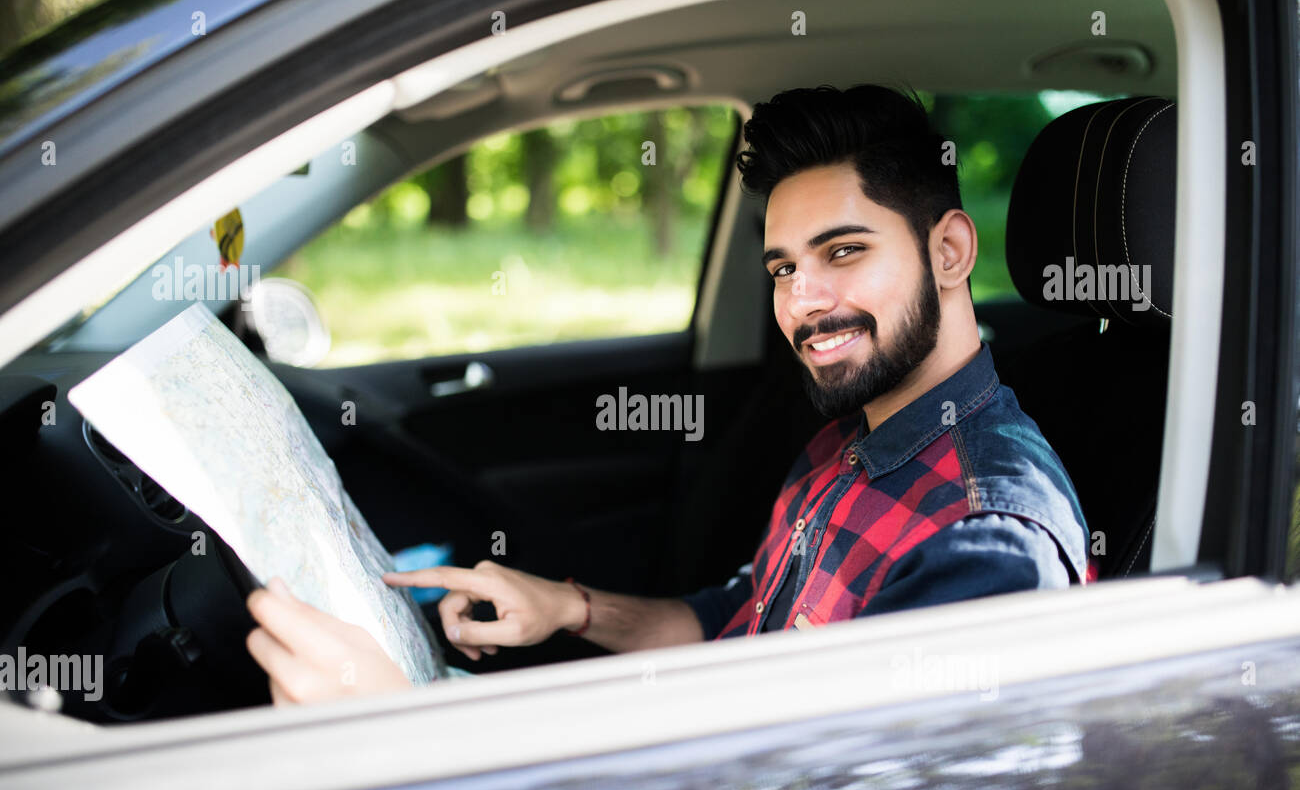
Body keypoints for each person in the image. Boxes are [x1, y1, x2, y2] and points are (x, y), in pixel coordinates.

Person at [245, 84, 1090, 704]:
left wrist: (393, 733)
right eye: (784, 268)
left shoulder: (988, 546)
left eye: (842, 252)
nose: (802, 300)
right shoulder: (853, 442)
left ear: (949, 251)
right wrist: (566, 608)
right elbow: (735, 617)